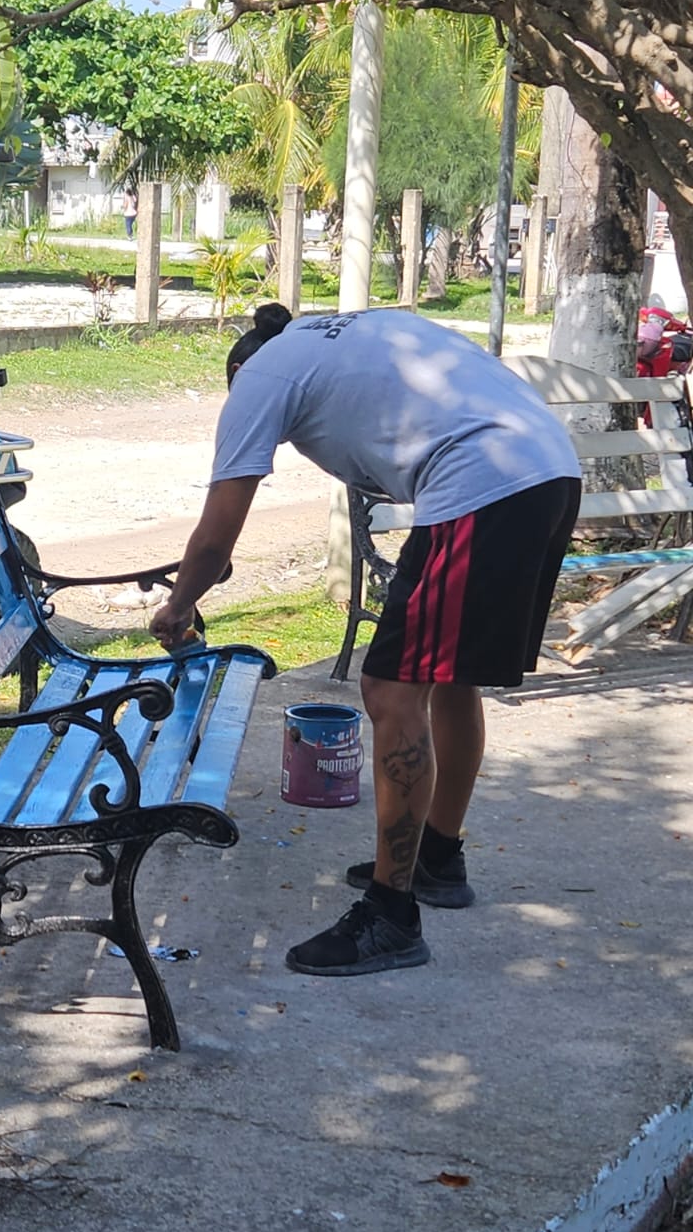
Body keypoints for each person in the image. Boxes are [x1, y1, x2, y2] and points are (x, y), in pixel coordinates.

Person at [150, 305, 582, 978]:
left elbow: (216, 534)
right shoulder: (334, 332)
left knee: (389, 689)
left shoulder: (260, 377)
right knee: (450, 675)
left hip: (482, 485)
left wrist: (180, 605)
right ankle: (437, 860)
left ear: (238, 371)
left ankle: (391, 916)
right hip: (546, 467)